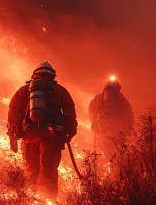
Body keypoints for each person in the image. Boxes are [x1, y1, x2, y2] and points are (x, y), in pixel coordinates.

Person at [7, 62, 77, 197]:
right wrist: (69, 133)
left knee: (31, 170)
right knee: (48, 170)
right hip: (51, 137)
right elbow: (70, 113)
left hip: (29, 136)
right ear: (52, 75)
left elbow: (13, 113)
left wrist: (13, 136)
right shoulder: (60, 91)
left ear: (35, 74)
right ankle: (47, 199)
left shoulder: (24, 91)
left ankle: (32, 202)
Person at [88, 77, 134, 157]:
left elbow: (91, 109)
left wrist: (94, 123)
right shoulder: (121, 99)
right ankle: (117, 166)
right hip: (117, 131)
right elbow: (129, 115)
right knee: (118, 152)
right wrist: (128, 130)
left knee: (105, 150)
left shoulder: (99, 98)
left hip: (103, 128)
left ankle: (106, 162)